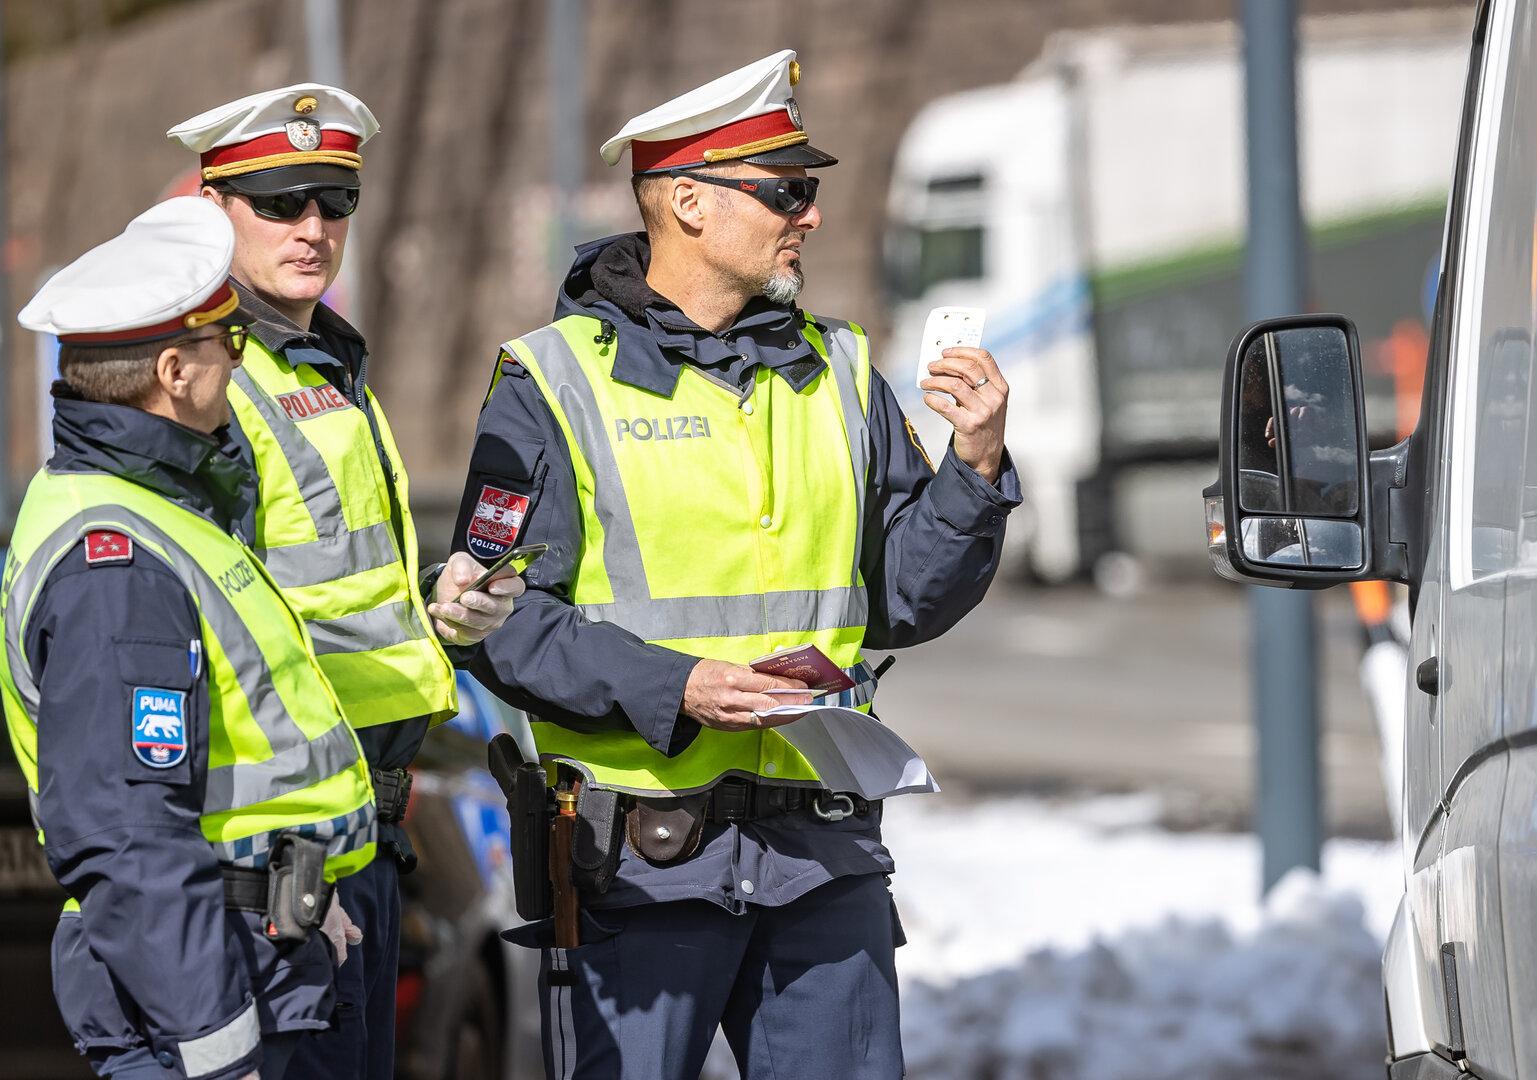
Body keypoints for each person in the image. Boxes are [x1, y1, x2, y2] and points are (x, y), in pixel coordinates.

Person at [454, 50, 1021, 1078]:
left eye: (808, 192)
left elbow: (901, 597)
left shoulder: (844, 370)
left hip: (824, 859)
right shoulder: (551, 381)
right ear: (686, 203)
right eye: (784, 193)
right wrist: (680, 687)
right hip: (637, 870)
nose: (807, 215)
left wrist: (973, 469)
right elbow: (499, 624)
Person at [165, 85, 522, 1079]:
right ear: (214, 207)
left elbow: (333, 577)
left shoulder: (320, 359)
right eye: (279, 202)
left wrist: (435, 605)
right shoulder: (211, 376)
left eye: (333, 201)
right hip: (277, 846)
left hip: (357, 827)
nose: (313, 227)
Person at [0, 196, 378, 1080]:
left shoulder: (162, 510)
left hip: (261, 955)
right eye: (230, 347)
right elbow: (130, 834)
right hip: (206, 1004)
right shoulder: (117, 561)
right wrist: (219, 1048)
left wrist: (303, 895)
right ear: (175, 370)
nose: (241, 365)